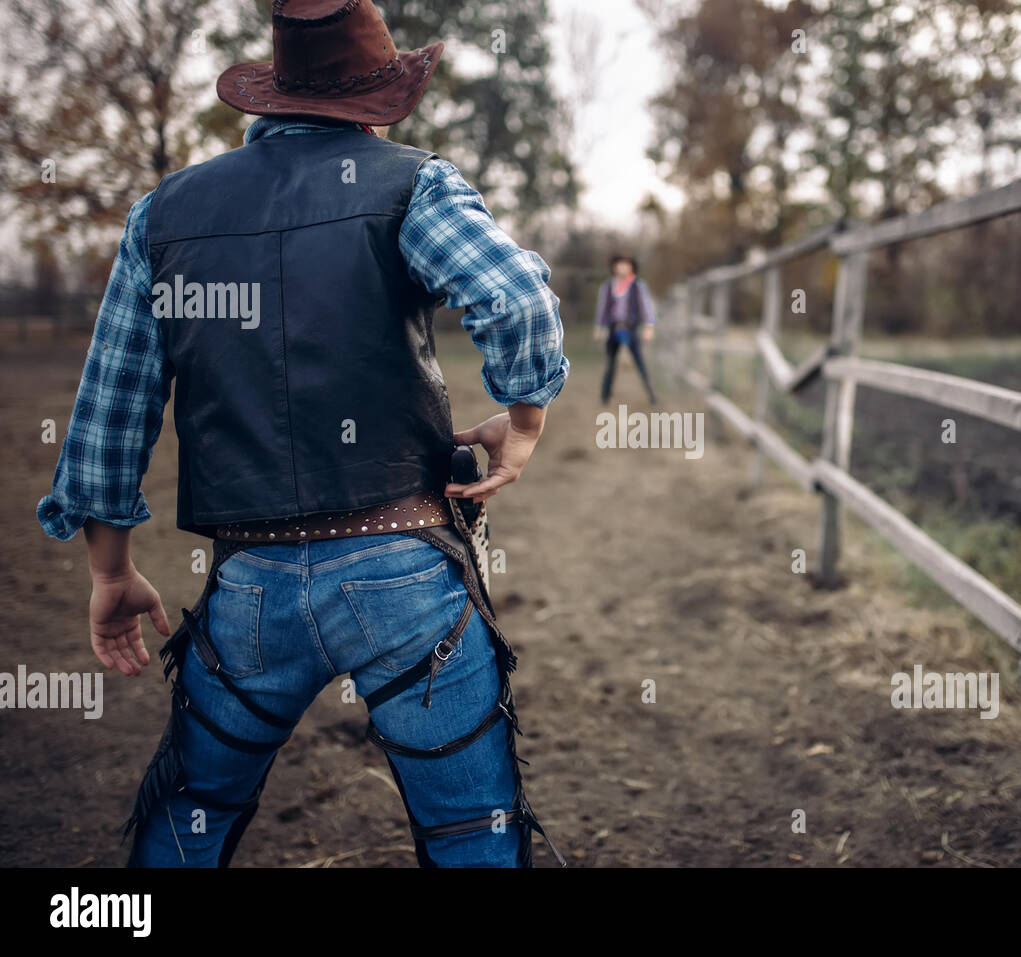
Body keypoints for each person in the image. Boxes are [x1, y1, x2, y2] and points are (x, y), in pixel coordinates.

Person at [34, 0, 568, 868]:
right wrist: (524, 421)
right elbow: (515, 298)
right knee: (473, 833)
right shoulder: (414, 183)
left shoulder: (163, 215)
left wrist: (110, 568)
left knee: (192, 814)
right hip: (408, 575)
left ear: (271, 95)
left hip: (248, 583)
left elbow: (110, 407)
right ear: (378, 97)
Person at [593, 254, 658, 404]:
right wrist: (599, 327)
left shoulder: (637, 285)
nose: (622, 267)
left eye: (625, 264)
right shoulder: (608, 286)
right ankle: (605, 396)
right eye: (619, 264)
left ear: (631, 267)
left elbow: (645, 307)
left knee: (640, 362)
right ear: (614, 267)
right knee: (610, 363)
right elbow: (602, 309)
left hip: (631, 329)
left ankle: (652, 395)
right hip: (614, 329)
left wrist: (649, 326)